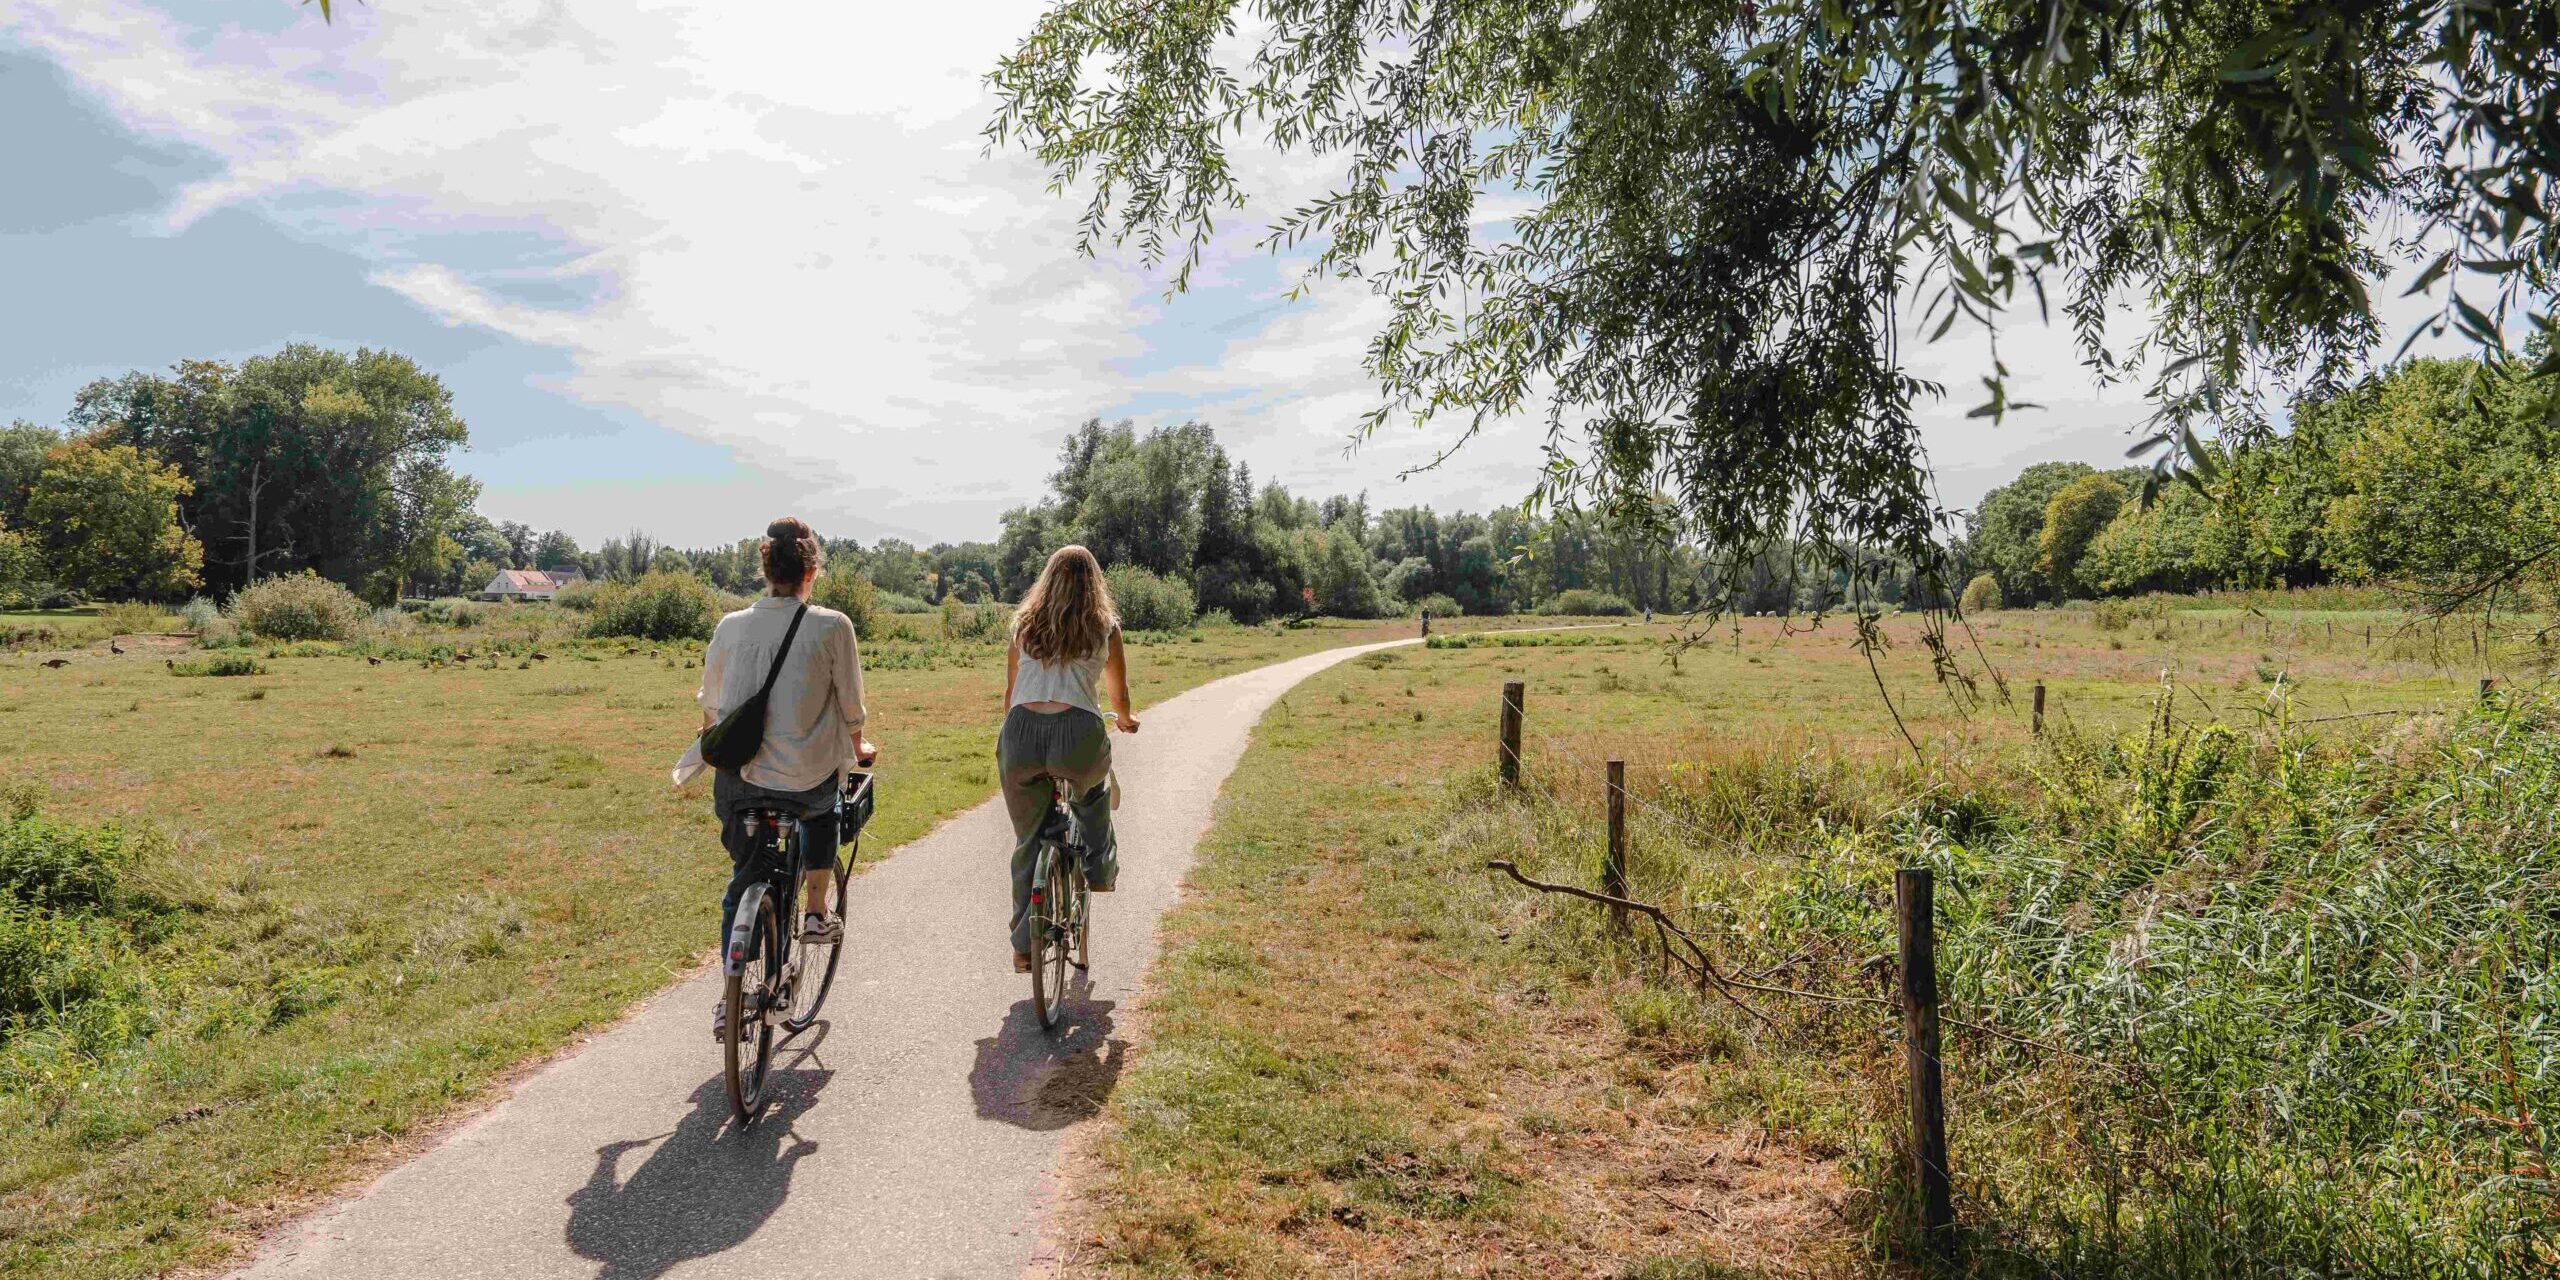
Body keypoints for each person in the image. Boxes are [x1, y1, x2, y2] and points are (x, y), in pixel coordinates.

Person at [674, 517, 875, 1041]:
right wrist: (859, 746)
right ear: (811, 571)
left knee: (744, 876)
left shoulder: (729, 626)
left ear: (766, 571)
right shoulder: (833, 626)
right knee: (825, 805)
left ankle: (731, 994)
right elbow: (851, 706)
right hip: (805, 780)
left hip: (739, 783)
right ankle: (815, 912)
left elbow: (711, 707)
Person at [997, 545, 1139, 972]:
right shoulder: (1105, 627)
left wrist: (1015, 736)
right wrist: (1125, 720)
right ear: (1095, 582)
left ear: (1046, 580)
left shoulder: (1023, 625)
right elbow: (1119, 694)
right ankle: (1099, 870)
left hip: (1021, 733)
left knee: (1029, 839)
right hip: (1078, 735)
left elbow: (1011, 693)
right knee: (1092, 796)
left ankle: (1024, 947)